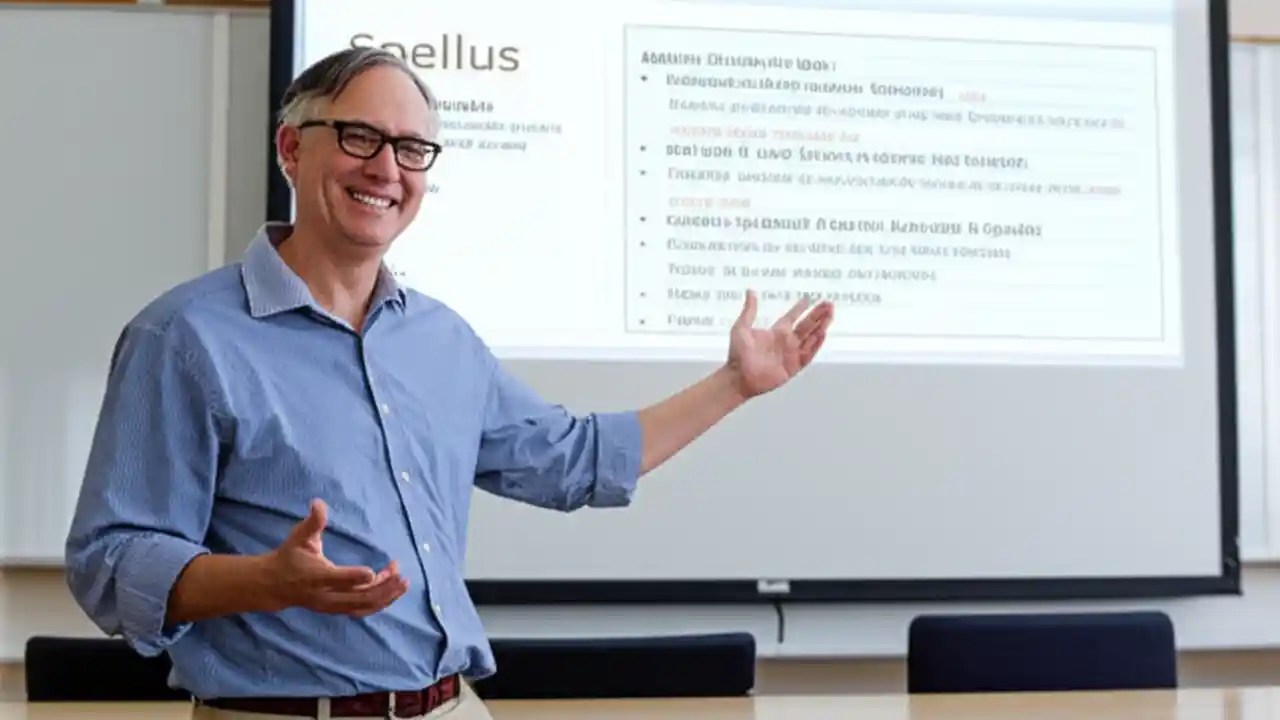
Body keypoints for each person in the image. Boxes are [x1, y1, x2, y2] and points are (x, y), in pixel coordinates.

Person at [63, 46, 834, 719]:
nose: (386, 169)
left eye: (411, 149)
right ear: (291, 148)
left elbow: (573, 458)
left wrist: (734, 383)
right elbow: (110, 560)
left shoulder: (441, 341)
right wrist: (264, 580)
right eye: (360, 136)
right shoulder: (185, 337)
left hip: (451, 705)